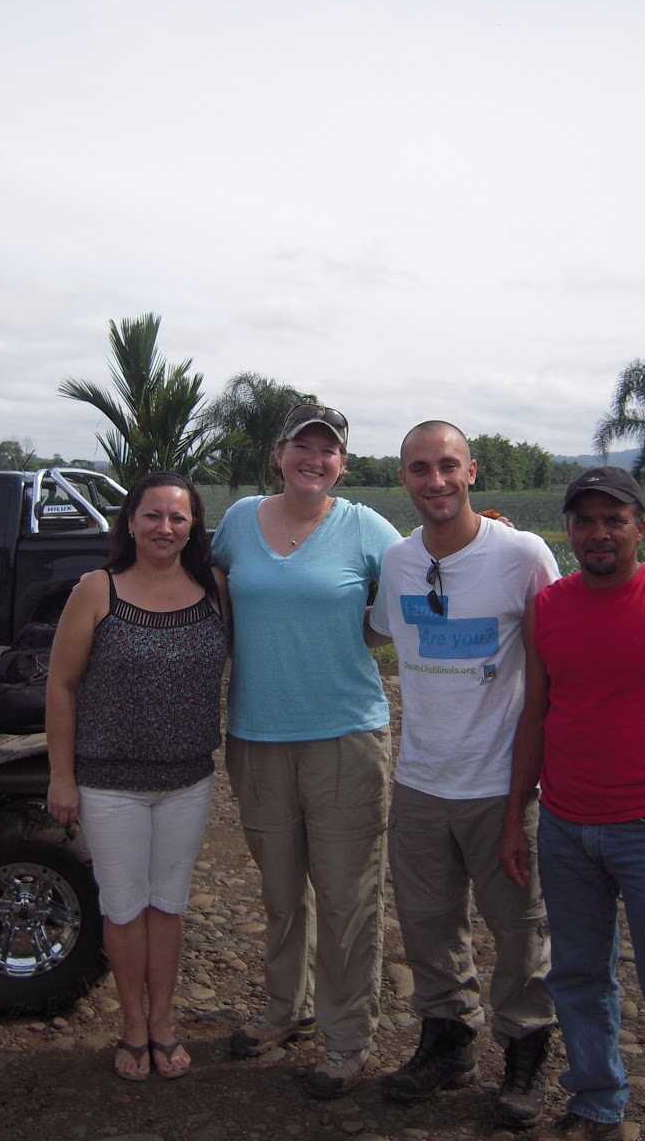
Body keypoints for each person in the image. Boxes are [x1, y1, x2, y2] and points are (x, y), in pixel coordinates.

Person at [500, 467, 645, 1140]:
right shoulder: (548, 608)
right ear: (569, 530)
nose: (599, 532)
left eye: (614, 519)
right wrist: (515, 815)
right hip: (567, 826)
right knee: (576, 974)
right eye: (585, 521)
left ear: (641, 525)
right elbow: (537, 719)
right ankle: (598, 1099)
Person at [367, 422, 560, 1129]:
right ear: (405, 479)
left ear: (472, 470)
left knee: (520, 930)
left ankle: (525, 1048)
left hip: (504, 786)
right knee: (427, 926)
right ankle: (448, 1040)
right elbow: (378, 629)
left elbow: (557, 657)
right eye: (420, 469)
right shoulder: (397, 560)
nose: (436, 481)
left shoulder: (521, 555)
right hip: (420, 781)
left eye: (448, 466)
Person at [212, 402, 402, 1099]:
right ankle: (283, 1009)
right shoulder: (238, 523)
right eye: (302, 446)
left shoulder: (366, 527)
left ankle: (347, 1036)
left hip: (346, 736)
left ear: (342, 464)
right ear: (279, 453)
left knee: (349, 895)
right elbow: (211, 593)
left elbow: (413, 585)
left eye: (328, 451)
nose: (313, 459)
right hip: (257, 737)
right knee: (281, 891)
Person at [45, 472, 230, 1082]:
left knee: (167, 906)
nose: (166, 528)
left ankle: (163, 1024)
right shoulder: (97, 590)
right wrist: (62, 777)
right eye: (153, 516)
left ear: (194, 528)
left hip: (188, 779)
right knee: (124, 908)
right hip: (108, 783)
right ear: (129, 521)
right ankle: (130, 1025)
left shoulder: (215, 591)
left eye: (180, 518)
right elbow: (62, 687)